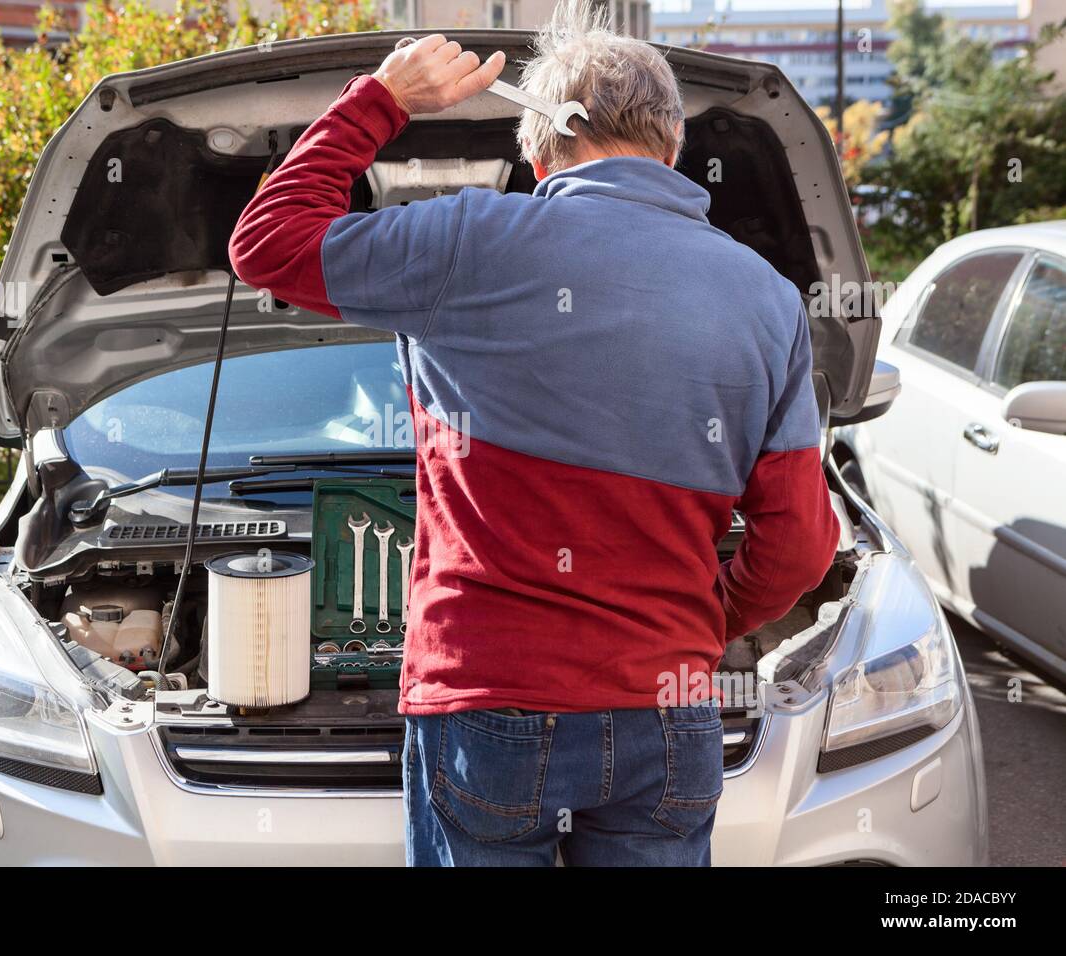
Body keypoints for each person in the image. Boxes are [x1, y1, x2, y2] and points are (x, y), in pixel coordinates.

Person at [228, 2, 839, 866]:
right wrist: (697, 623)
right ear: (671, 147)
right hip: (668, 711)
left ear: (538, 147)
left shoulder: (468, 242)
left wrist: (384, 99)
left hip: (486, 706)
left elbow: (266, 244)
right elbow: (803, 549)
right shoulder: (768, 300)